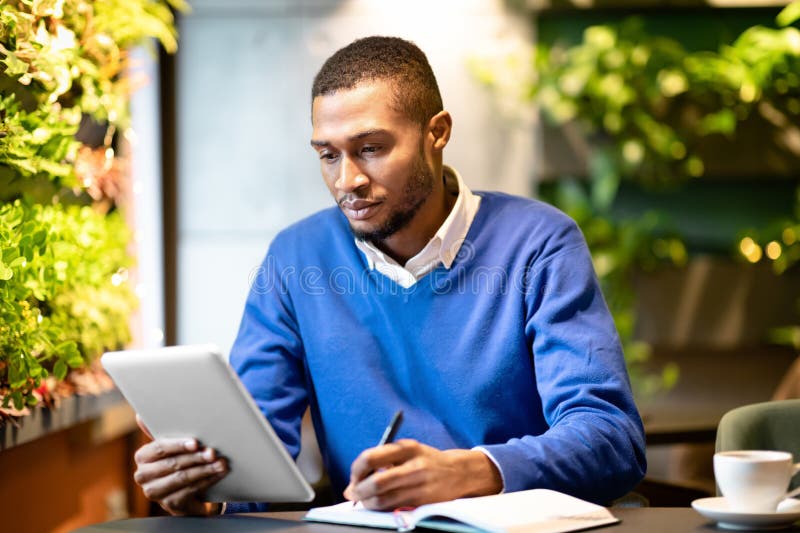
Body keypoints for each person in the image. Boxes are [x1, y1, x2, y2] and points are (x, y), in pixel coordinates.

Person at [132, 35, 647, 516]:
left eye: (371, 148)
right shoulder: (295, 257)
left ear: (437, 133)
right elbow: (258, 449)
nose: (347, 180)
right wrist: (211, 491)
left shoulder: (539, 243)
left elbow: (611, 438)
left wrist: (467, 472)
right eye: (328, 155)